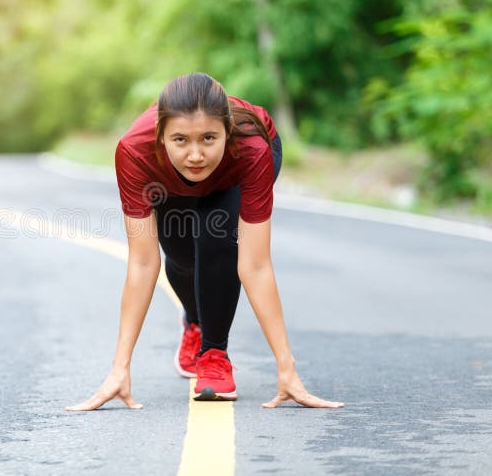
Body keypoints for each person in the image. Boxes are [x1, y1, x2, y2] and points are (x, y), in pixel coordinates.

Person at [66, 72, 344, 410]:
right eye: (181, 140)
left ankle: (214, 355)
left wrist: (287, 369)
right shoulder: (134, 153)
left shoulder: (250, 148)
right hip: (166, 176)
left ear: (226, 133)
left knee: (216, 238)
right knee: (179, 256)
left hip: (236, 168)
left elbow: (254, 266)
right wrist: (119, 368)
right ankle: (194, 322)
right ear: (161, 137)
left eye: (208, 138)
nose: (196, 155)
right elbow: (142, 263)